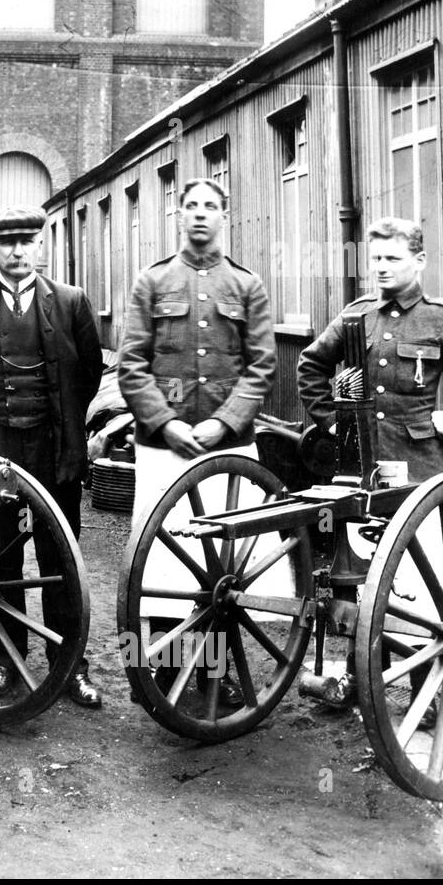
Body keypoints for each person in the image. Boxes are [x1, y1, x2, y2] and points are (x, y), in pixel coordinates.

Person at [298, 217, 443, 711]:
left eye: (392, 258)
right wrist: (334, 424)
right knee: (361, 585)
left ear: (419, 262)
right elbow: (311, 365)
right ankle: (364, 683)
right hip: (361, 475)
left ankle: (430, 691)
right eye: (375, 258)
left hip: (419, 473)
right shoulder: (357, 316)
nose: (381, 267)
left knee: (422, 594)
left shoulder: (440, 318)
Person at [117, 177, 278, 706]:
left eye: (211, 206)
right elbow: (132, 366)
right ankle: (163, 673)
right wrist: (167, 424)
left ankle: (216, 673)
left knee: (224, 564)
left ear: (224, 216)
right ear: (179, 215)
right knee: (164, 559)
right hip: (165, 449)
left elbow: (261, 368)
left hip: (228, 450)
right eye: (191, 207)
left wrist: (223, 423)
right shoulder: (152, 282)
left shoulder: (247, 286)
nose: (201, 215)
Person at [0, 204, 104, 709]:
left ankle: (68, 663)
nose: (16, 251)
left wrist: (64, 426)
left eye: (26, 241)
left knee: (61, 557)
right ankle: (7, 659)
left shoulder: (72, 302)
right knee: (1, 558)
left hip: (53, 448)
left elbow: (89, 374)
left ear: (41, 246)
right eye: (6, 243)